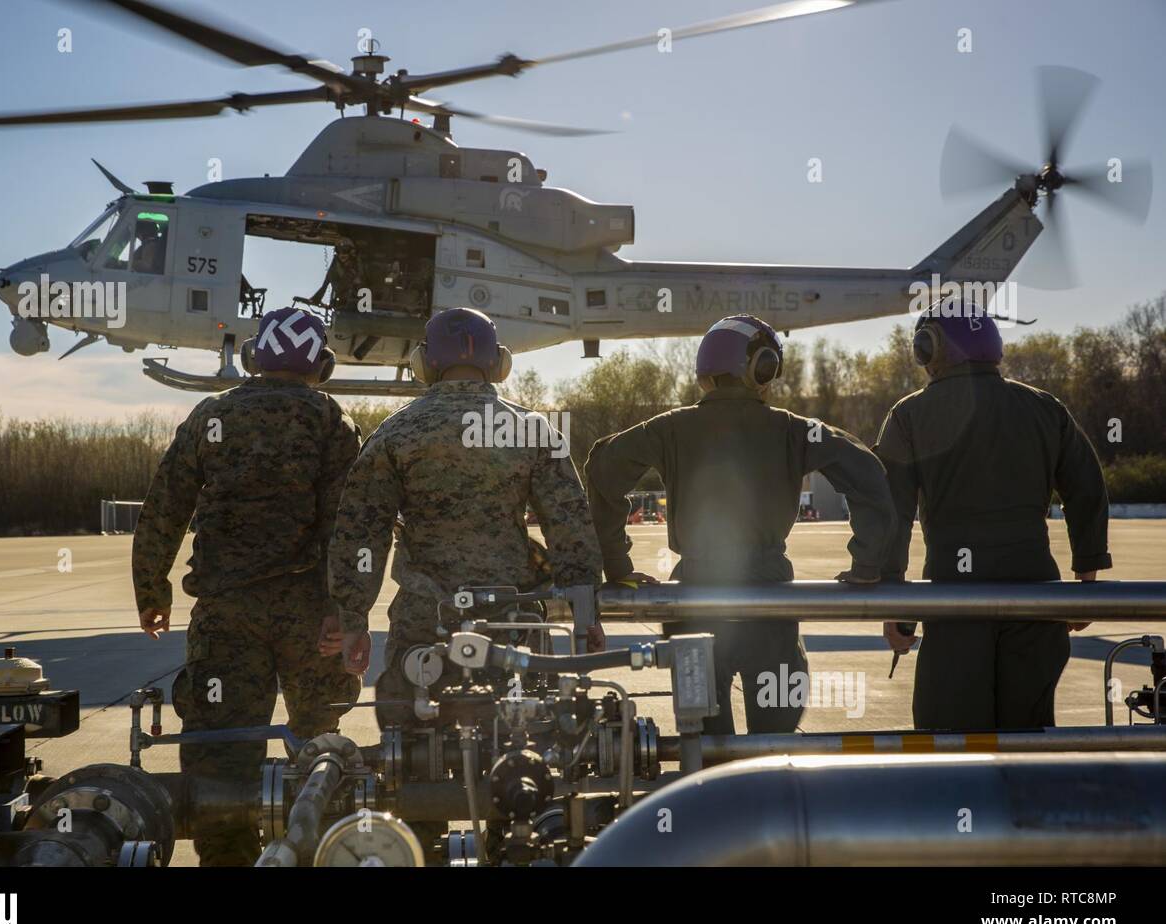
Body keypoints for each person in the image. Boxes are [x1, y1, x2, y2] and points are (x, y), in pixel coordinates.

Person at [585, 315, 897, 735]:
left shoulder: (669, 428)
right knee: (774, 744)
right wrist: (865, 566)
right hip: (771, 599)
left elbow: (603, 469)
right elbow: (869, 476)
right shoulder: (795, 430)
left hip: (693, 598)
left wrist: (618, 567)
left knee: (704, 749)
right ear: (761, 368)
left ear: (704, 374)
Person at [132, 307, 362, 866]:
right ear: (322, 366)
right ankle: (308, 851)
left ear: (254, 358)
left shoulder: (212, 416)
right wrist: (345, 611)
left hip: (224, 615)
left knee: (220, 755)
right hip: (308, 615)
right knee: (317, 748)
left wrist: (152, 590)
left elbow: (164, 508)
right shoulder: (331, 421)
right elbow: (347, 525)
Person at [324, 307, 603, 710]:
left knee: (413, 744)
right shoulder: (534, 430)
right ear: (499, 362)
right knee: (526, 742)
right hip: (514, 617)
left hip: (423, 619)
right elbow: (570, 527)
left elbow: (360, 536)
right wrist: (586, 613)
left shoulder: (395, 433)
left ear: (422, 363)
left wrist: (353, 620)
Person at [874, 302, 1112, 730]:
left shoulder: (908, 415)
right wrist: (1087, 578)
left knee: (950, 742)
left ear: (928, 349)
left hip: (954, 595)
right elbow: (1087, 488)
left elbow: (891, 511)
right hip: (1036, 593)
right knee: (1029, 741)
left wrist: (895, 601)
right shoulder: (1045, 407)